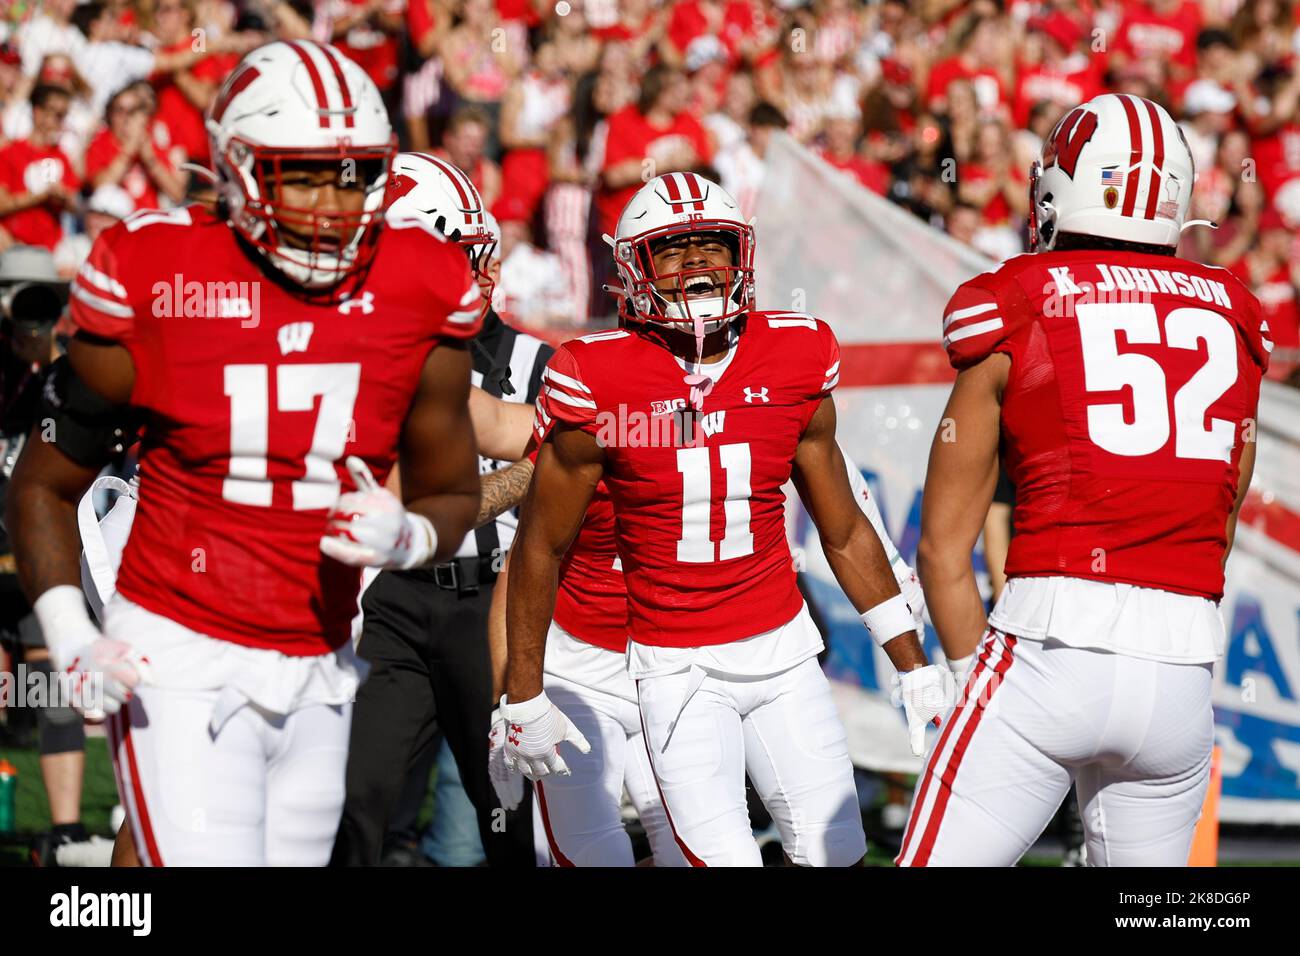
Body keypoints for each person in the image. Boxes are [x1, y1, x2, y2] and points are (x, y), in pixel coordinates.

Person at [5, 39, 486, 867]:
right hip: (179, 649)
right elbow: (44, 478)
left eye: (354, 176)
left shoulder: (418, 281)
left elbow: (452, 493)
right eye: (304, 176)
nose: (333, 204)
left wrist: (407, 535)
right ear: (237, 167)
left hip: (322, 658)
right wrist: (68, 630)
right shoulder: (162, 271)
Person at [502, 172, 943, 867]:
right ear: (634, 268)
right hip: (677, 670)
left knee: (836, 851)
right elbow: (540, 548)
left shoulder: (794, 353)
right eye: (673, 250)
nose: (699, 265)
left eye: (712, 246)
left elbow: (845, 528)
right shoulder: (598, 375)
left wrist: (910, 660)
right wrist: (522, 693)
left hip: (785, 653)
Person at [901, 93, 1269, 867]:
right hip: (1181, 677)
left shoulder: (1017, 297)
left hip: (1047, 646)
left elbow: (940, 549)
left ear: (1059, 188)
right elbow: (1225, 508)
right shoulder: (1236, 313)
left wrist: (972, 682)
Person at [332, 152, 550, 868]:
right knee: (349, 802)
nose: (477, 275)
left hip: (493, 600)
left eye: (477, 254)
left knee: (510, 821)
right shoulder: (364, 357)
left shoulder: (537, 363)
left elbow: (559, 468)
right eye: (451, 257)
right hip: (393, 599)